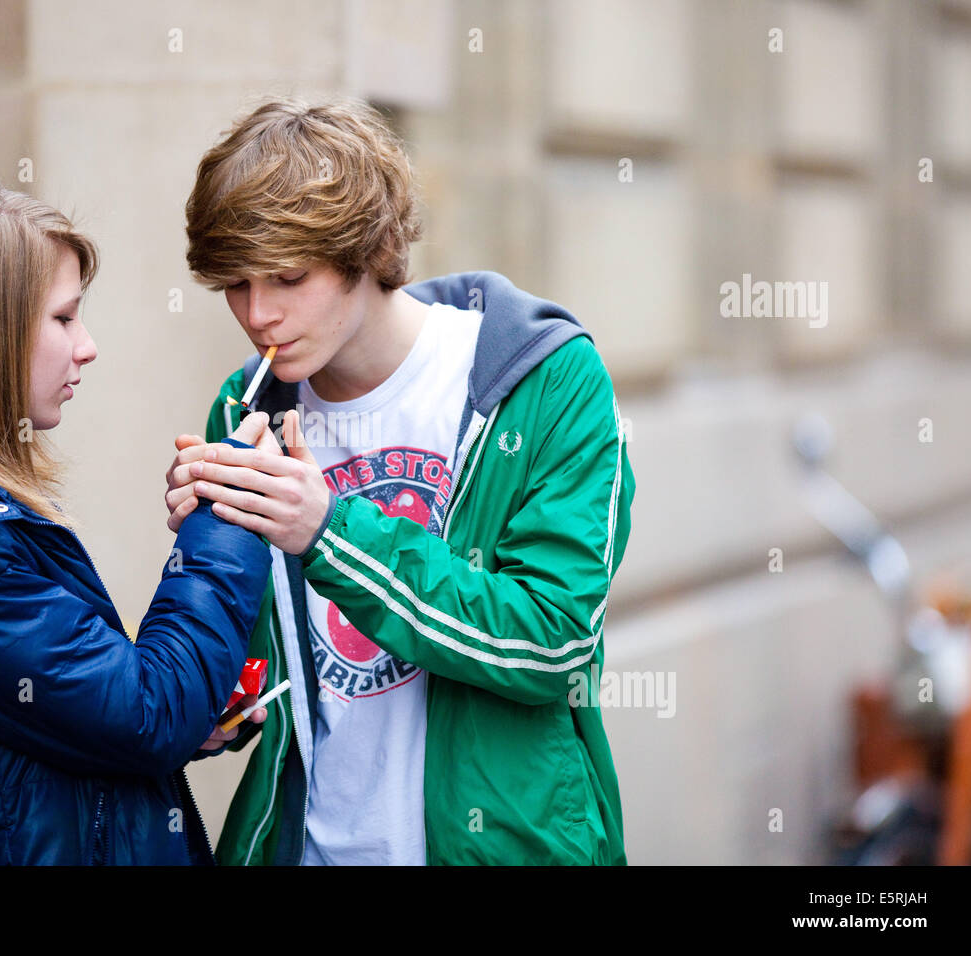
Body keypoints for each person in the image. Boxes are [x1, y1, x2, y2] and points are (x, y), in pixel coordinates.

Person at [168, 99, 636, 865]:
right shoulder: (247, 403)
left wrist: (328, 532)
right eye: (235, 284)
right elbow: (263, 685)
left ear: (366, 250)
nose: (258, 314)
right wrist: (207, 571)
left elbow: (551, 641)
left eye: (288, 277)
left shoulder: (544, 379)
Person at [0, 172, 278, 865]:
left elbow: (107, 718)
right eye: (63, 318)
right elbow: (147, 712)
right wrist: (230, 512)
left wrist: (200, 709)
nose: (86, 345)